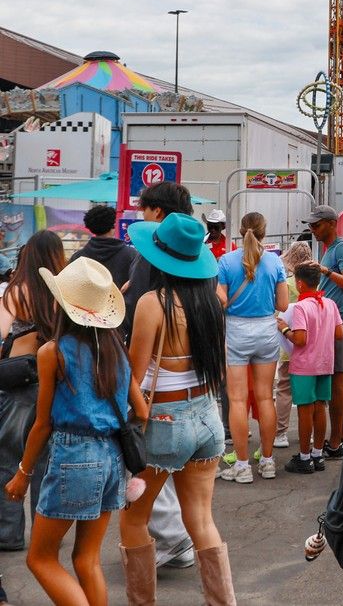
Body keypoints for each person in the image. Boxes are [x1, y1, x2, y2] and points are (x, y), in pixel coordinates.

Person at [4, 257, 145, 605]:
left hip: (74, 455)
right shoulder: (116, 349)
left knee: (40, 558)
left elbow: (43, 423)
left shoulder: (52, 352)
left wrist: (23, 474)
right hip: (114, 458)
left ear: (62, 305)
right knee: (86, 559)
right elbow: (142, 411)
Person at [119, 212, 235, 605]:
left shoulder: (153, 303)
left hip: (164, 422)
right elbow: (219, 367)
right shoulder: (212, 303)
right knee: (201, 520)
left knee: (134, 519)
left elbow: (134, 377)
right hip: (207, 418)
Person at [120, 180, 196, 569]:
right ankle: (183, 541)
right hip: (198, 393)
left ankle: (169, 537)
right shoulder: (200, 260)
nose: (141, 215)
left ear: (158, 214)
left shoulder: (151, 260)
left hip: (158, 383)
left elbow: (135, 318)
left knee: (144, 456)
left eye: (144, 210)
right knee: (195, 502)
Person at [0, 231, 64, 553]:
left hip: (16, 383)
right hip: (53, 381)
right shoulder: (63, 290)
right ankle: (45, 534)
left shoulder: (16, 291)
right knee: (45, 462)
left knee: (8, 459)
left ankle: (8, 534)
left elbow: (0, 331)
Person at [217, 212, 288, 484]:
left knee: (237, 400)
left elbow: (221, 300)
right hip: (266, 330)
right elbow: (283, 304)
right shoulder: (274, 262)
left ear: (240, 231)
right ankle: (268, 462)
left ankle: (242, 466)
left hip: (236, 330)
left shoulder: (226, 261)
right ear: (263, 232)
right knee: (265, 397)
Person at [304, 205, 343, 459]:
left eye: (316, 225)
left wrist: (326, 272)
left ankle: (336, 441)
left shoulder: (342, 248)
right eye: (311, 225)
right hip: (335, 319)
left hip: (341, 320)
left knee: (339, 378)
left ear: (332, 223)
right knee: (342, 378)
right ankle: (342, 435)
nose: (312, 229)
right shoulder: (331, 249)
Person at [277, 263, 343, 475]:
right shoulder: (330, 303)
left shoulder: (300, 307)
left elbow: (300, 339)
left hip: (304, 365)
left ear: (299, 283)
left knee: (305, 410)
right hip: (325, 362)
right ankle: (317, 454)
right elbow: (340, 333)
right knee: (320, 406)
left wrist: (284, 329)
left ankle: (304, 458)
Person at [275, 241, 314, 449]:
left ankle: (280, 433)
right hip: (311, 345)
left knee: (284, 388)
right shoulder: (316, 286)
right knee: (308, 392)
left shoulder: (287, 284)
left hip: (287, 343)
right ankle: (308, 432)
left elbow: (278, 311)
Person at [70, 205, 138, 289]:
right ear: (113, 225)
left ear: (90, 227)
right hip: (122, 297)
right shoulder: (131, 255)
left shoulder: (77, 258)